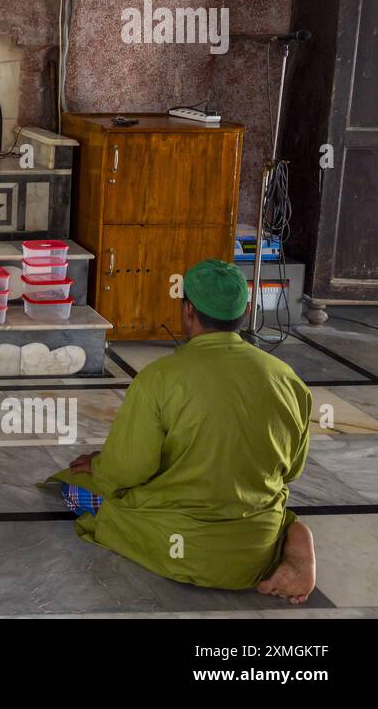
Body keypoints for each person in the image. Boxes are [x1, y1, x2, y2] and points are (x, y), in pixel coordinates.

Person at [52, 258, 316, 602]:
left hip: (178, 542)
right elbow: (292, 469)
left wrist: (100, 466)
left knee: (73, 489)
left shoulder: (160, 378)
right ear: (245, 309)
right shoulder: (286, 378)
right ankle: (291, 537)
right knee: (274, 502)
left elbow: (128, 469)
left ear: (188, 310)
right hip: (254, 546)